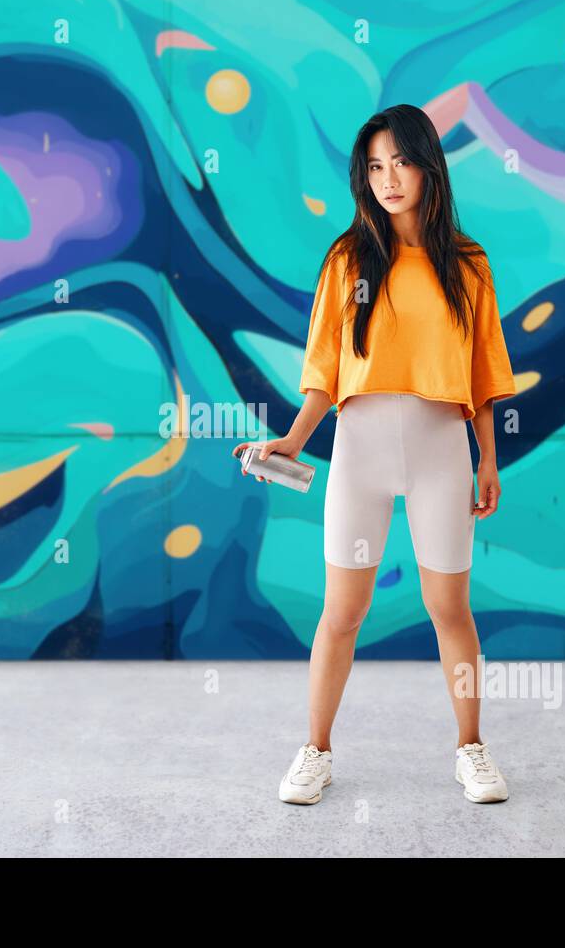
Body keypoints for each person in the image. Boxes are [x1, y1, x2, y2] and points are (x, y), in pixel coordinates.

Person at [232, 104, 518, 805]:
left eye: (402, 162)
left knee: (450, 606)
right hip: (358, 449)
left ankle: (472, 749)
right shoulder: (346, 259)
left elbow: (482, 379)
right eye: (376, 166)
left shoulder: (470, 265)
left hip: (440, 449)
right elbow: (324, 371)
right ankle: (316, 750)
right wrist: (292, 441)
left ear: (428, 166)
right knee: (342, 612)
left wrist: (487, 458)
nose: (389, 178)